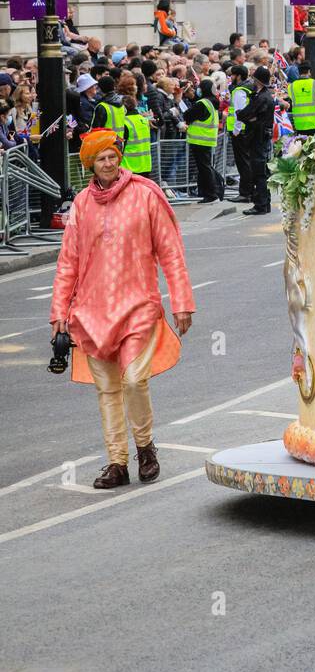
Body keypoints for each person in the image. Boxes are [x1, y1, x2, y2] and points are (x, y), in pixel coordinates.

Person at [50, 129, 196, 489]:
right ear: (90, 166)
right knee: (108, 391)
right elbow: (68, 262)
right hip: (92, 312)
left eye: (113, 155)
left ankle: (145, 447)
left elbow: (170, 251)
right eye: (102, 158)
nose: (110, 162)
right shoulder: (82, 204)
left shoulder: (146, 195)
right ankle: (117, 462)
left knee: (133, 380)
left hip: (137, 306)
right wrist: (59, 314)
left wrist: (182, 302)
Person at [237, 65, 274, 215]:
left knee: (259, 172)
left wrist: (245, 115)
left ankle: (261, 204)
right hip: (259, 136)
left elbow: (246, 113)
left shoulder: (262, 98)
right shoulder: (260, 95)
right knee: (261, 171)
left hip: (258, 138)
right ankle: (264, 203)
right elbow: (249, 115)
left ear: (257, 80)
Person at [181, 79, 224, 203]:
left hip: (200, 140)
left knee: (204, 167)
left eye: (199, 87)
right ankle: (207, 193)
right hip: (206, 139)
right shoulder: (211, 102)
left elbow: (188, 115)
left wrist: (180, 102)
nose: (197, 89)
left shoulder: (203, 103)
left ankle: (212, 194)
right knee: (205, 167)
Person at [226, 65, 254, 203]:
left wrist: (236, 130)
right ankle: (248, 192)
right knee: (246, 162)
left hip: (240, 131)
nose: (231, 78)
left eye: (232, 75)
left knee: (243, 163)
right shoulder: (249, 87)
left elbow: (239, 113)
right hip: (245, 130)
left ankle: (245, 193)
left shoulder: (239, 91)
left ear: (238, 76)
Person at [287, 60, 315, 134]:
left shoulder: (291, 87)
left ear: (299, 72)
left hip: (300, 124)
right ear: (309, 71)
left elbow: (290, 104)